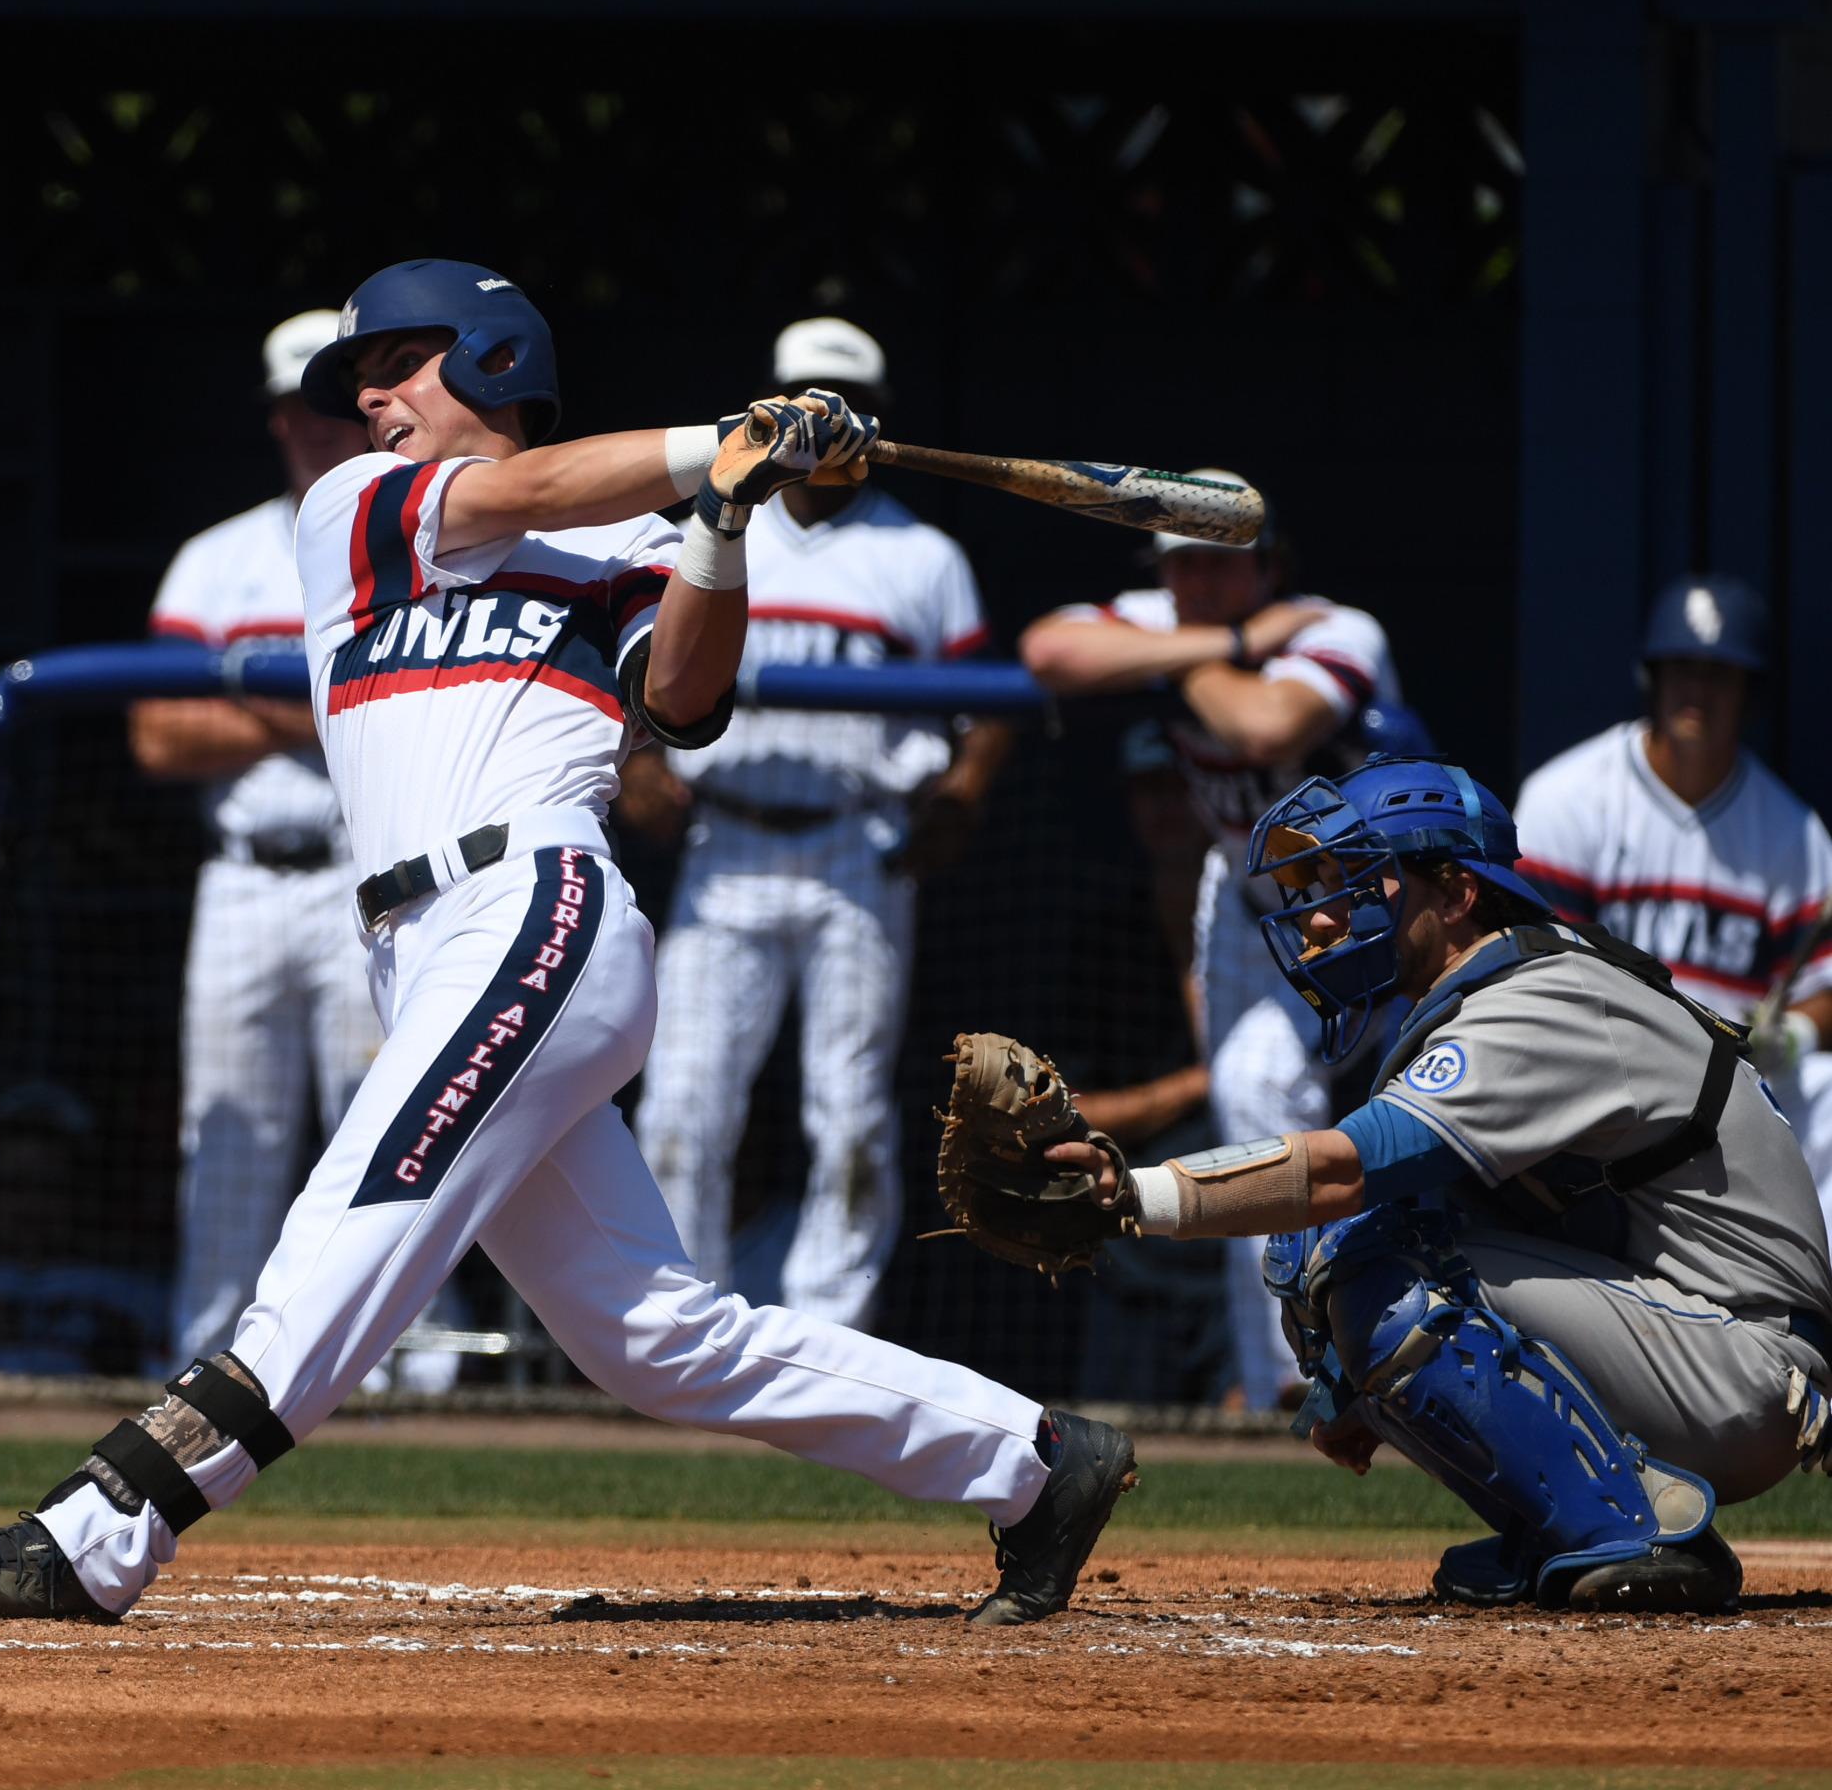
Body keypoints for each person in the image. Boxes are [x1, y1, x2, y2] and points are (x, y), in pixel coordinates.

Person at [0, 259, 1135, 1627]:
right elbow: (515, 496)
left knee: (354, 1221)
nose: (366, 397)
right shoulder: (354, 506)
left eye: (396, 365)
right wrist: (714, 447)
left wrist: (724, 513)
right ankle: (1034, 1462)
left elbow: (684, 694)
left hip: (533, 909)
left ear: (490, 358)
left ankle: (94, 1534)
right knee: (652, 1337)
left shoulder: (633, 547)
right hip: (421, 942)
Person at [1050, 753, 1832, 1612]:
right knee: (1334, 1239)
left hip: (1745, 1360)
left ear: (1456, 892)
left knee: (1365, 1243)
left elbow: (1344, 1170)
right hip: (1688, 1331)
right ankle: (1563, 1525)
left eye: (1356, 885)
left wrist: (1133, 1196)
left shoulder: (1539, 997)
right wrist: (1344, 1379)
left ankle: (1633, 1525)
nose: (1322, 921)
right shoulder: (1491, 989)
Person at [627, 317, 1008, 1328]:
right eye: (802, 393)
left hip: (859, 842)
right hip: (729, 837)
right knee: (683, 1101)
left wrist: (961, 793)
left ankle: (832, 1329)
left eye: (839, 398)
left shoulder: (921, 554)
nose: (819, 416)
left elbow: (988, 709)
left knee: (847, 1115)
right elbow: (640, 670)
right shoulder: (709, 529)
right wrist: (637, 763)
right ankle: (675, 1326)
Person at [1018, 491, 1402, 1409]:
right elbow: (1047, 650)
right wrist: (1223, 646)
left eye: (1223, 560)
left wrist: (1177, 664)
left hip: (1367, 910)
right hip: (1243, 897)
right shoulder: (1190, 621)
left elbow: (1267, 726)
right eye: (1183, 563)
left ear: (1269, 566)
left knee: (1360, 1123)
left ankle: (1337, 1368)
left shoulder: (1339, 627)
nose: (1199, 578)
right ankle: (1274, 1379)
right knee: (1245, 1109)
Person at [134, 311, 457, 1393]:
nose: (318, 428)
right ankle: (211, 1360)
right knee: (227, 1131)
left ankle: (419, 1368)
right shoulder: (217, 557)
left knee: (398, 1124)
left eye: (337, 405)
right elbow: (157, 731)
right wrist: (322, 708)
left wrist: (259, 692)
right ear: (276, 419)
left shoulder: (436, 535)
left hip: (375, 877)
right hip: (245, 871)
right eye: (298, 409)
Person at [1512, 574, 1832, 1228]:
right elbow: (1522, 963)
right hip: (1597, 1063)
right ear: (1652, 675)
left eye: (1721, 672)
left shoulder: (1792, 833)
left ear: (1750, 690)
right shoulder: (1567, 797)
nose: (1698, 689)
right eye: (1682, 667)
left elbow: (1825, 987)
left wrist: (1794, 1034)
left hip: (1737, 1084)